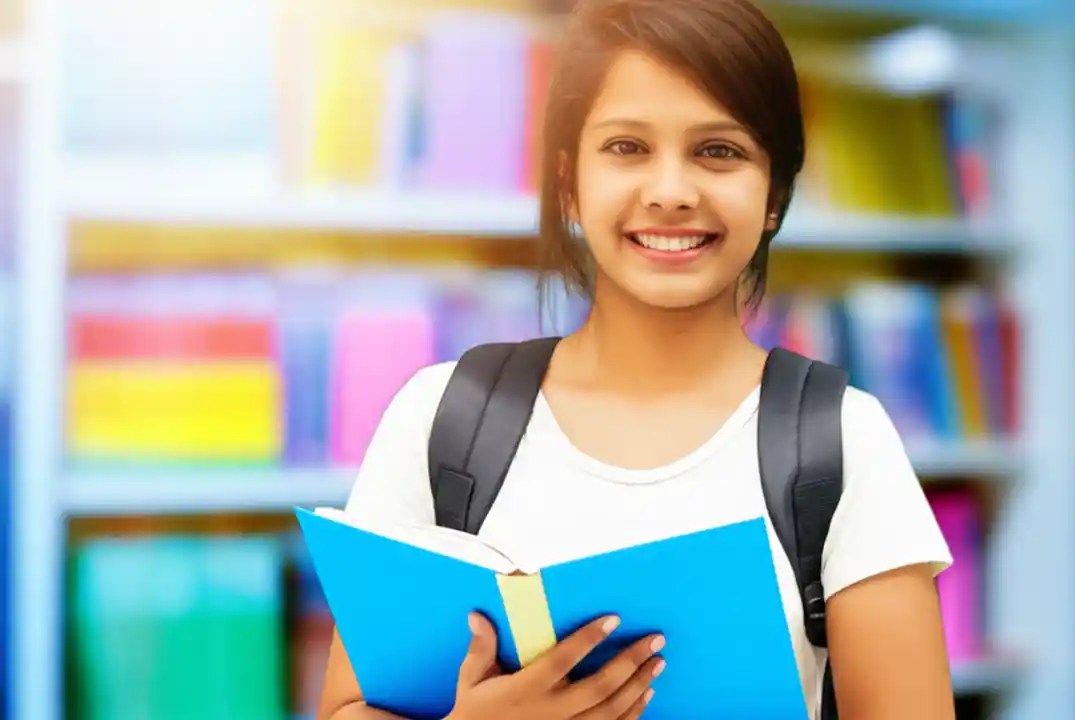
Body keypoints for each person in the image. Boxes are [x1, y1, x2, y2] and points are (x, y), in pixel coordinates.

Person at [317, 0, 956, 718]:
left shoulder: (841, 439)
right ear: (569, 182)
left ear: (774, 194)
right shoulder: (441, 418)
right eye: (627, 147)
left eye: (720, 151)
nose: (671, 192)